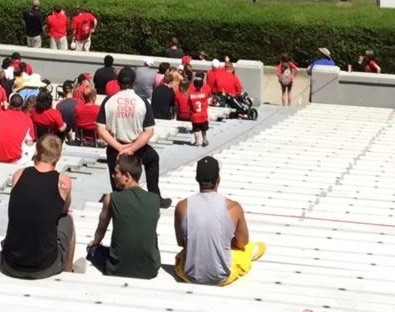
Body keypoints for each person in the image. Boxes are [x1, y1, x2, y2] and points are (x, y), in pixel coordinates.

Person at [174, 156, 264, 285]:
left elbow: (181, 243)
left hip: (189, 275)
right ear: (218, 179)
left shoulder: (182, 206)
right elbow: (242, 242)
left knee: (184, 254)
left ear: (196, 179)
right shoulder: (233, 207)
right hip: (222, 277)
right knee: (252, 247)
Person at [0, 134, 75, 279]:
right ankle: (67, 269)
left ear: (36, 151)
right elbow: (64, 209)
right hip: (44, 266)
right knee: (67, 219)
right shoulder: (63, 182)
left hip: (11, 263)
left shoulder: (19, 175)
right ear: (58, 157)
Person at [87, 152, 162, 278]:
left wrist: (94, 244)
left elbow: (101, 229)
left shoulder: (111, 198)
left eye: (116, 173)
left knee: (92, 250)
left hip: (117, 268)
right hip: (150, 267)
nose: (113, 175)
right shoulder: (155, 199)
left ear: (127, 176)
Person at [99, 66, 165, 206]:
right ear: (135, 82)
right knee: (153, 159)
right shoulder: (142, 102)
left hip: (115, 147)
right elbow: (149, 131)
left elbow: (100, 128)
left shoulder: (108, 101)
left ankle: (118, 198)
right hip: (136, 147)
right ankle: (155, 196)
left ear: (118, 82)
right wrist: (131, 149)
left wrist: (119, 147)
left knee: (115, 170)